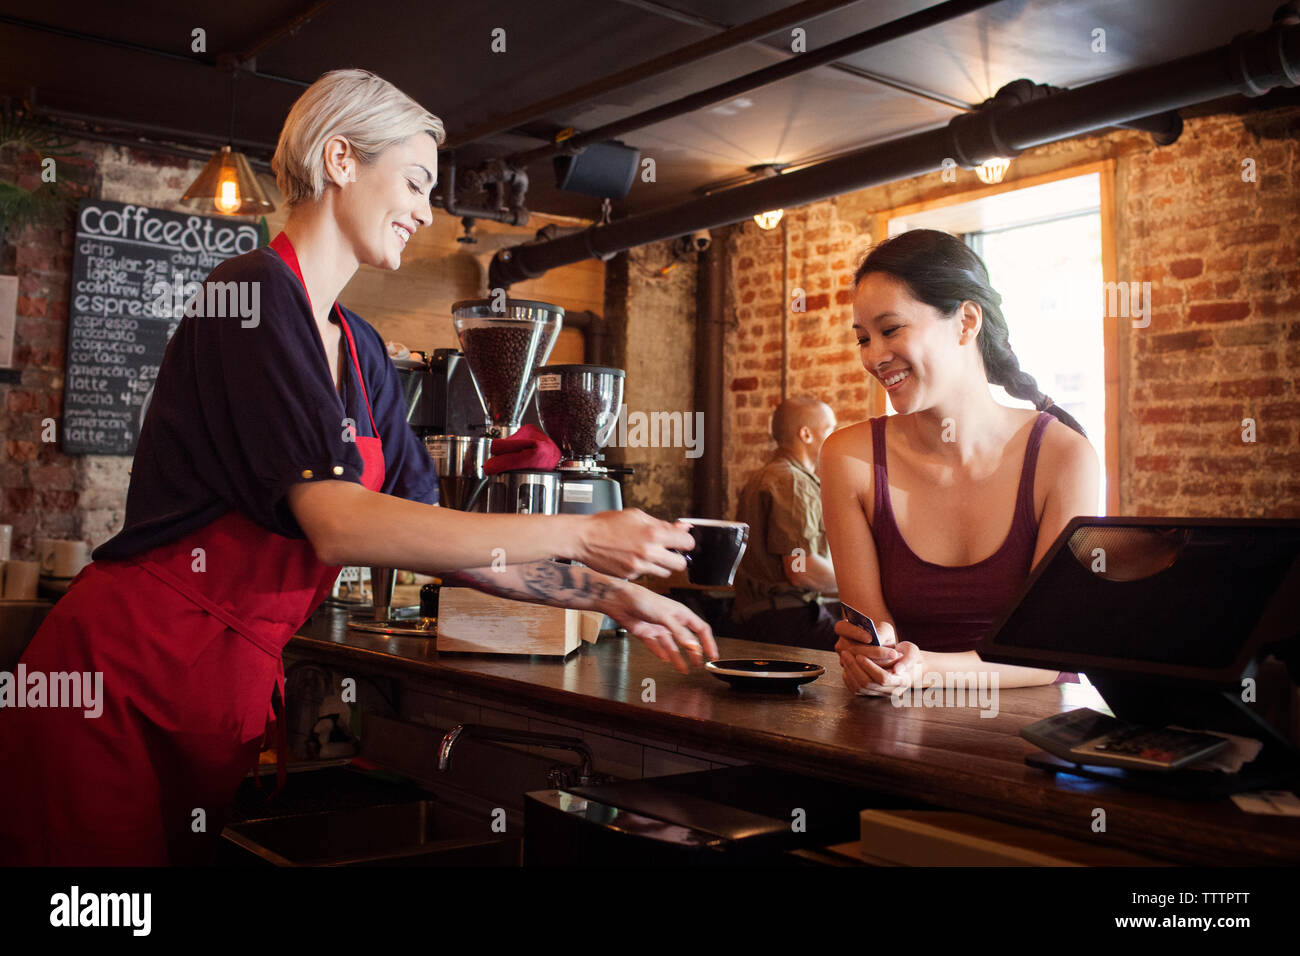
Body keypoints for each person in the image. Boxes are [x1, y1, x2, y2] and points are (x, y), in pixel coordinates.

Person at [0, 69, 714, 866]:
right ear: (340, 159)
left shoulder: (363, 347)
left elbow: (451, 539)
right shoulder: (249, 294)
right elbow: (339, 524)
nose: (424, 211)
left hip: (212, 697)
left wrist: (616, 596)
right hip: (119, 683)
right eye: (414, 181)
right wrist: (583, 535)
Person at [820, 229, 1099, 694]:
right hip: (899, 735)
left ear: (967, 321)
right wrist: (875, 658)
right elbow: (875, 637)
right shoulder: (848, 458)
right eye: (862, 339)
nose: (873, 356)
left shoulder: (1064, 456)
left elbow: (1055, 651)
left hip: (1034, 741)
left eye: (890, 330)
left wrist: (924, 668)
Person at [731, 397, 840, 650]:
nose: (835, 437)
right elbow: (801, 569)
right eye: (830, 429)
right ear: (806, 434)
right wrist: (862, 585)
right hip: (788, 622)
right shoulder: (792, 482)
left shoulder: (764, 476)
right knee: (871, 658)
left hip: (758, 620)